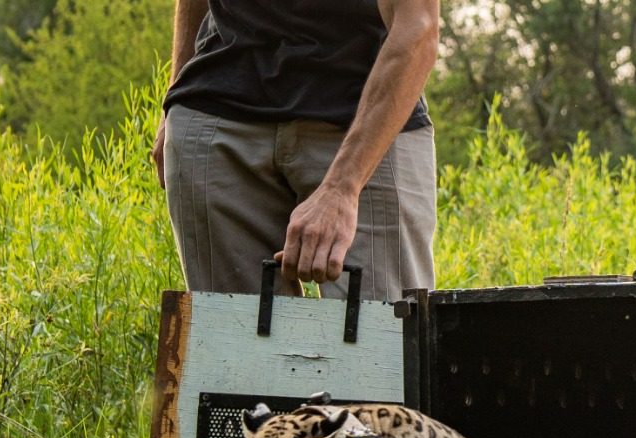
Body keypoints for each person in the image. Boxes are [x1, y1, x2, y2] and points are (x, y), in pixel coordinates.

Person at [151, 0, 439, 302]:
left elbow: (417, 29)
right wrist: (174, 96)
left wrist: (342, 188)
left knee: (385, 340)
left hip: (366, 128)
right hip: (218, 122)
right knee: (236, 341)